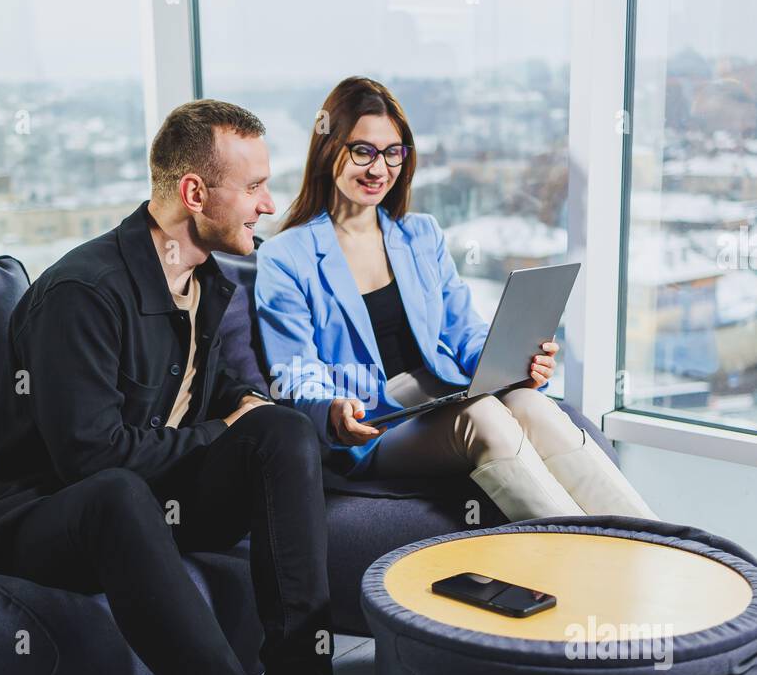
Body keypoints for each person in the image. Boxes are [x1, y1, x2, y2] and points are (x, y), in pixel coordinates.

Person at [0, 99, 412, 675]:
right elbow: (88, 458)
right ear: (195, 193)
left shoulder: (211, 283)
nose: (270, 203)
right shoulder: (83, 294)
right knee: (120, 493)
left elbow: (225, 395)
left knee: (284, 437)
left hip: (141, 493)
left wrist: (254, 417)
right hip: (42, 513)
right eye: (255, 187)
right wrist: (218, 436)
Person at [255, 76, 657, 522]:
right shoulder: (285, 256)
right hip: (375, 428)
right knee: (483, 416)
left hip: (440, 396)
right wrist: (330, 408)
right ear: (330, 149)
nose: (379, 168)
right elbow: (296, 370)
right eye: (362, 151)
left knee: (529, 404)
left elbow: (464, 329)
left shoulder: (420, 234)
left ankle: (654, 540)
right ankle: (584, 554)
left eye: (392, 153)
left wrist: (513, 362)